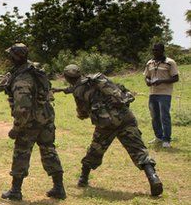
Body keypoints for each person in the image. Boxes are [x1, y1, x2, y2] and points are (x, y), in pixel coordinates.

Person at [57, 64, 162, 196]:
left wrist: (83, 114)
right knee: (138, 149)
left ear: (67, 78)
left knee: (95, 150)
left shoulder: (79, 91)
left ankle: (83, 179)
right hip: (125, 117)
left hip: (106, 124)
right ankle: (153, 178)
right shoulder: (97, 78)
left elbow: (82, 112)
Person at [0, 43, 66, 201]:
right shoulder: (33, 69)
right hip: (46, 117)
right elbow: (7, 79)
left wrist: (16, 129)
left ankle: (15, 191)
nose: (9, 58)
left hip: (30, 122)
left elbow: (22, 109)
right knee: (49, 150)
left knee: (21, 153)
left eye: (11, 55)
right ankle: (59, 188)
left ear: (17, 57)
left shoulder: (23, 80)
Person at [144, 42, 179, 148]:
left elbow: (176, 78)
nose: (154, 52)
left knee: (164, 116)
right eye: (153, 50)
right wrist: (148, 81)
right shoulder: (149, 63)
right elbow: (146, 76)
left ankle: (166, 139)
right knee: (154, 117)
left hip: (165, 93)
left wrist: (162, 81)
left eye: (157, 50)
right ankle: (158, 137)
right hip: (153, 93)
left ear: (162, 51)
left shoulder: (170, 62)